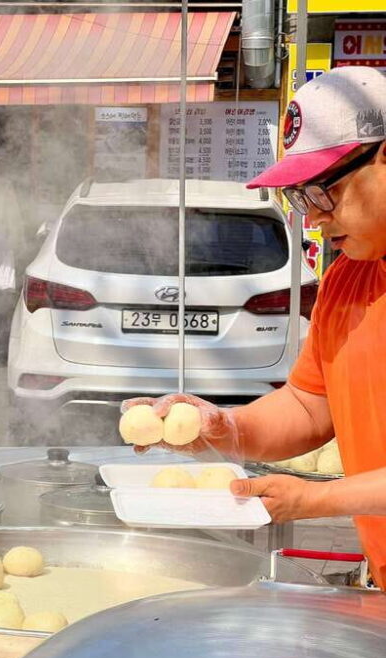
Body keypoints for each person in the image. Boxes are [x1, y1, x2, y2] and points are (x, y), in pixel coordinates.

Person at [124, 66, 386, 587]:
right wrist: (227, 429)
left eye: (321, 192)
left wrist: (317, 499)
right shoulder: (346, 281)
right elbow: (311, 407)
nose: (312, 219)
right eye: (300, 199)